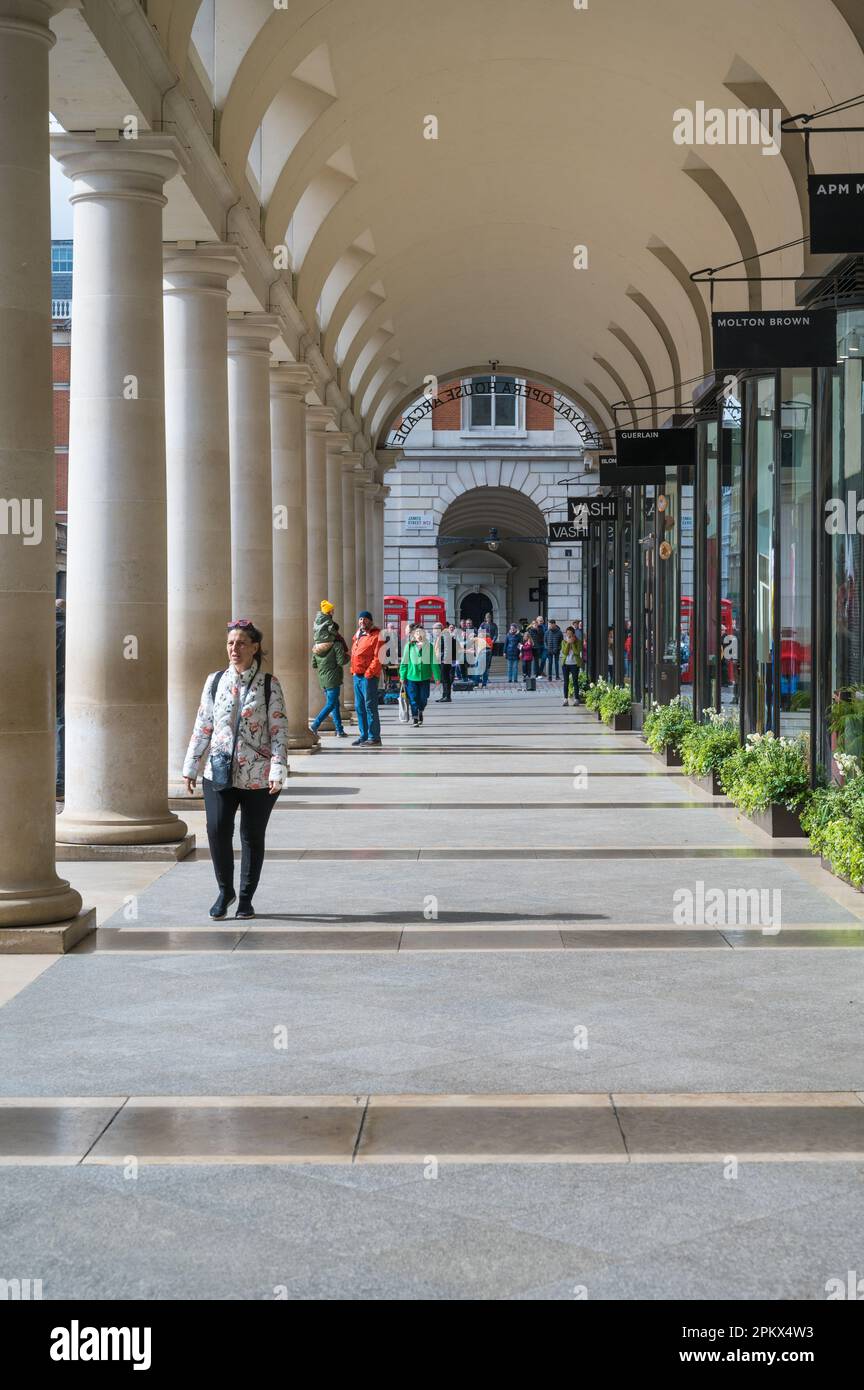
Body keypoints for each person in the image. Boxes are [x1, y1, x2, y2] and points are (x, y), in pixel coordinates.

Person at [183, 619, 287, 921]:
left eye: (241, 643)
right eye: (230, 643)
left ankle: (245, 898)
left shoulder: (269, 684)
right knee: (216, 830)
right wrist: (191, 765)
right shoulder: (215, 681)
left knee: (251, 836)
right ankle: (224, 890)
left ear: (255, 647)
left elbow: (279, 730)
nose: (234, 648)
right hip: (218, 770)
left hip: (258, 774)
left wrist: (277, 770)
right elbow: (203, 724)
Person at [310, 602, 348, 737]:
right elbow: (341, 661)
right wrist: (348, 656)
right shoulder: (336, 645)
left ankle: (339, 730)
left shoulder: (317, 646)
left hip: (323, 679)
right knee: (331, 703)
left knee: (335, 704)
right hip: (333, 678)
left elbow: (314, 664)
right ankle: (315, 724)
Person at [351, 610, 386, 746]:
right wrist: (353, 671)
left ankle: (374, 737)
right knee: (359, 707)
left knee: (370, 706)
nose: (362, 621)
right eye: (360, 619)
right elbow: (354, 654)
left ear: (370, 621)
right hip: (357, 675)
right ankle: (364, 735)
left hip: (368, 677)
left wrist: (369, 673)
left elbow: (378, 657)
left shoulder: (377, 636)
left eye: (365, 619)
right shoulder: (358, 635)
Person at [399, 625, 441, 725]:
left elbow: (433, 662)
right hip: (411, 677)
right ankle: (415, 717)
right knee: (413, 698)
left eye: (421, 632)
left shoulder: (429, 646)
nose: (419, 635)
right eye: (417, 633)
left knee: (423, 698)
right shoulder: (409, 646)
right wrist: (402, 676)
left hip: (425, 677)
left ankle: (420, 710)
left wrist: (437, 677)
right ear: (414, 635)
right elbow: (404, 662)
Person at [55, 597, 66, 799]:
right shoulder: (68, 629)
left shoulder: (47, 629)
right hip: (65, 685)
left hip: (49, 684)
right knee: (60, 729)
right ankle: (60, 781)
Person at [561, 625, 582, 705]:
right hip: (565, 664)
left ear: (573, 634)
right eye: (567, 633)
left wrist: (572, 643)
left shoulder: (578, 641)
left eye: (570, 633)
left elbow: (577, 652)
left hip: (574, 664)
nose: (568, 635)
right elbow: (565, 652)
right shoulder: (563, 642)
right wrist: (568, 644)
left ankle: (576, 699)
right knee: (566, 682)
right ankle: (565, 699)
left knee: (575, 681)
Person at [434, 622, 454, 702]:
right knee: (444, 678)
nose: (434, 631)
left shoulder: (445, 635)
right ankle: (444, 696)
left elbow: (447, 648)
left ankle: (447, 696)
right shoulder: (440, 636)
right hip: (441, 659)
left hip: (445, 660)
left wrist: (445, 659)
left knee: (446, 679)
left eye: (435, 629)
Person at [479, 611, 498, 687]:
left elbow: (496, 634)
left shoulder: (494, 625)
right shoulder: (483, 624)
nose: (488, 619)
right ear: (485, 618)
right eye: (487, 617)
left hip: (490, 645)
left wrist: (493, 640)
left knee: (488, 662)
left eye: (489, 617)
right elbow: (479, 632)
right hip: (483, 645)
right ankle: (482, 677)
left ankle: (486, 677)